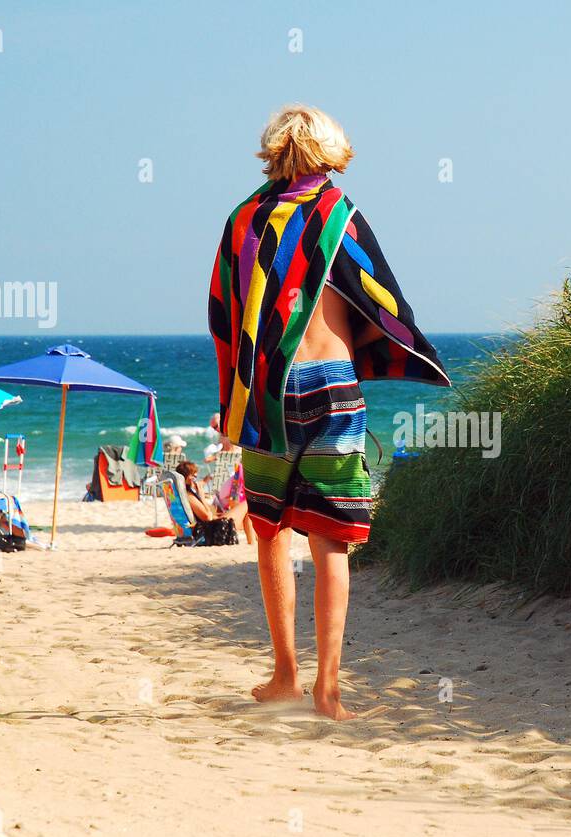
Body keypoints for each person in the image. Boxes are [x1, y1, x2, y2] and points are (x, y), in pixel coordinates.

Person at [207, 104, 451, 719]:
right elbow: (382, 297)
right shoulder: (341, 217)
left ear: (273, 152)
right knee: (332, 539)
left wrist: (231, 402)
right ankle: (329, 690)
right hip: (331, 386)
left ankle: (285, 673)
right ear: (331, 154)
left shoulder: (242, 223)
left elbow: (226, 319)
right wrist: (404, 349)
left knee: (268, 530)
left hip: (267, 389)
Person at [175, 460, 235, 545]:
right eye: (195, 476)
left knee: (244, 508)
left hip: (209, 527)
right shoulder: (189, 496)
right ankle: (251, 542)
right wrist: (202, 496)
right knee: (245, 506)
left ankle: (251, 542)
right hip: (209, 532)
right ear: (189, 478)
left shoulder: (187, 494)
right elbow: (207, 517)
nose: (196, 480)